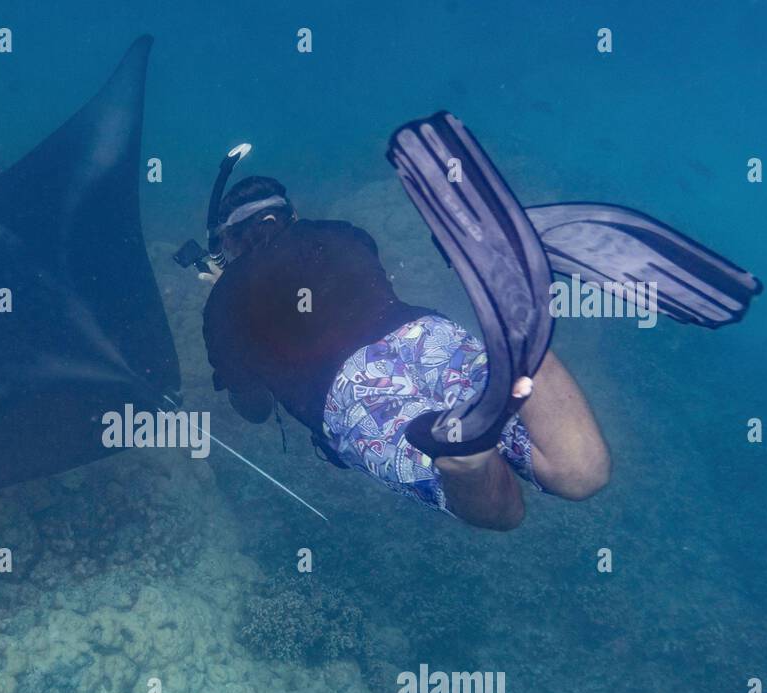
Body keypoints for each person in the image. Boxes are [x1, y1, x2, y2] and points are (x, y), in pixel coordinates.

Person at [200, 175, 611, 531]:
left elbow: (252, 407)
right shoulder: (343, 232)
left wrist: (228, 295)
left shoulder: (223, 304)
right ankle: (520, 327)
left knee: (503, 512)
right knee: (579, 473)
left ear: (234, 238)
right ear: (283, 215)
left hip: (350, 390)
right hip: (423, 335)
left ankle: (463, 453)